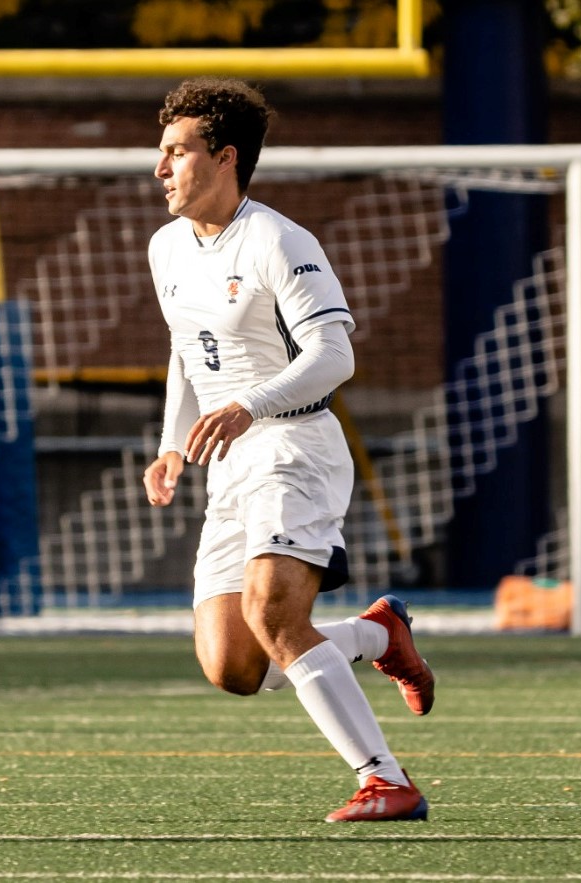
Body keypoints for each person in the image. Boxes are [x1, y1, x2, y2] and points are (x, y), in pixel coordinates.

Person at [140, 77, 439, 821]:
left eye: (178, 152)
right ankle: (377, 632)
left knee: (274, 614)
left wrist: (251, 404)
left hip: (295, 443)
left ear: (225, 158)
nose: (161, 169)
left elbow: (334, 355)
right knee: (234, 665)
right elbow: (187, 352)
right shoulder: (166, 248)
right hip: (230, 460)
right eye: (163, 152)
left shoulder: (279, 240)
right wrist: (173, 443)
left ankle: (385, 778)